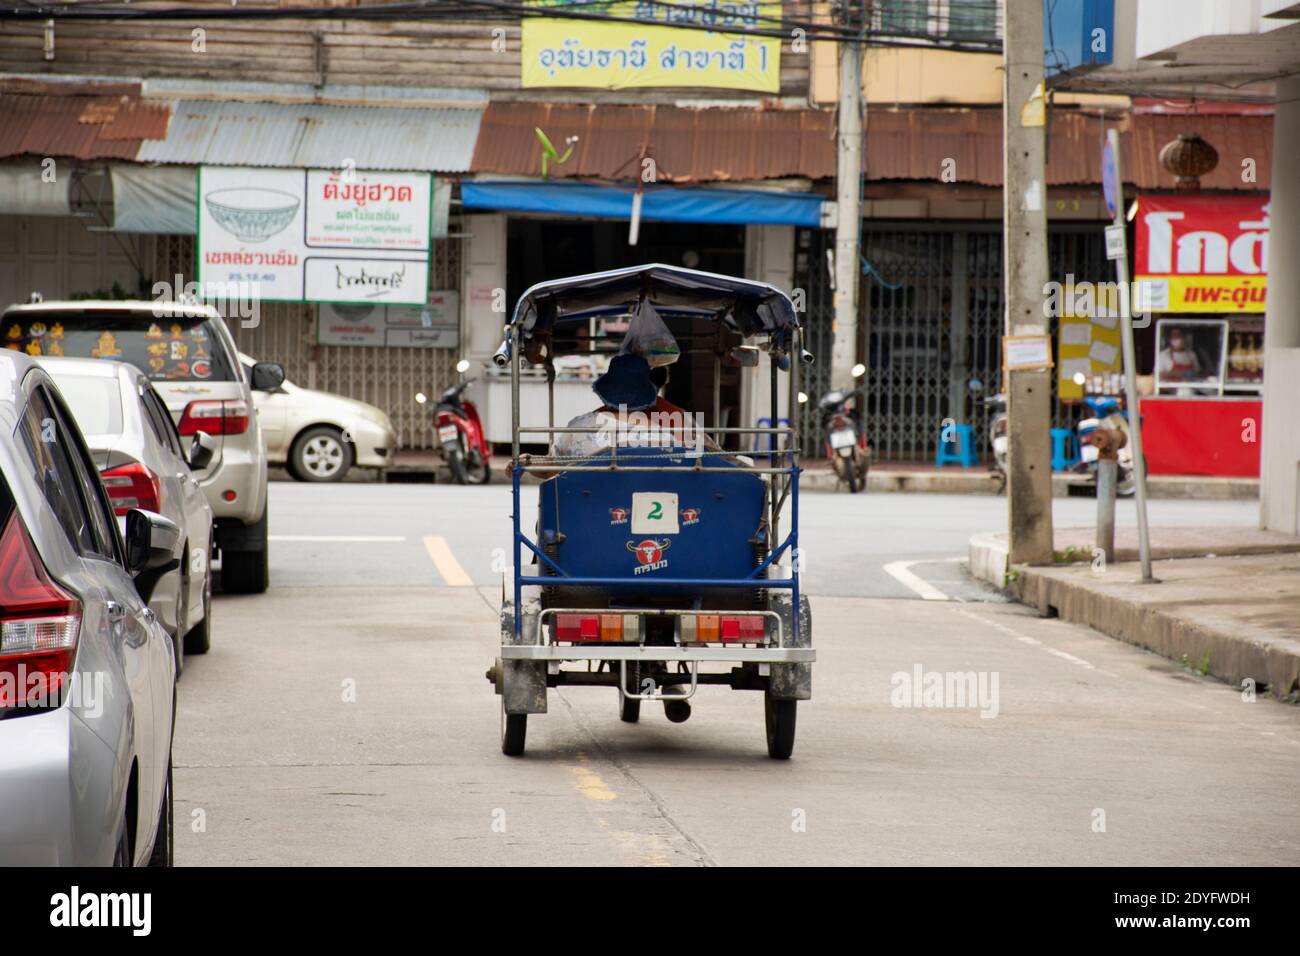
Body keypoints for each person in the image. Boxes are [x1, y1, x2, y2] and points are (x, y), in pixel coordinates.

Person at [551, 353, 715, 459]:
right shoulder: (666, 436)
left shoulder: (579, 427)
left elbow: (551, 467)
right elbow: (714, 457)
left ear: (605, 393)